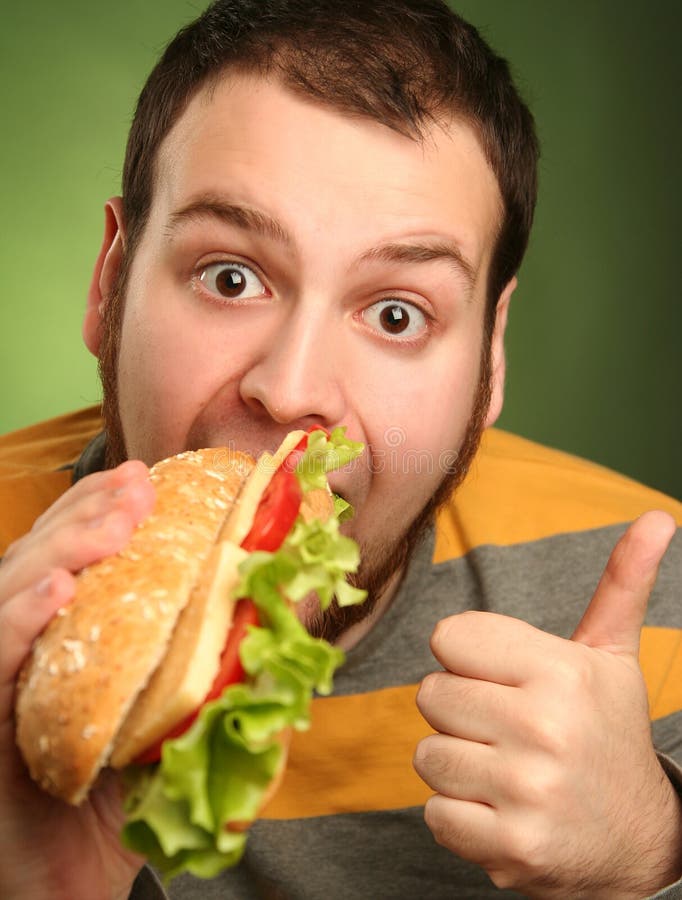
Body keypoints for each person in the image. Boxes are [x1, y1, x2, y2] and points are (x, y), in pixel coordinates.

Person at [0, 1, 680, 897]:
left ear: (491, 352)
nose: (291, 391)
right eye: (230, 277)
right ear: (111, 283)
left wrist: (651, 847)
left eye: (396, 314)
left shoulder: (651, 596)